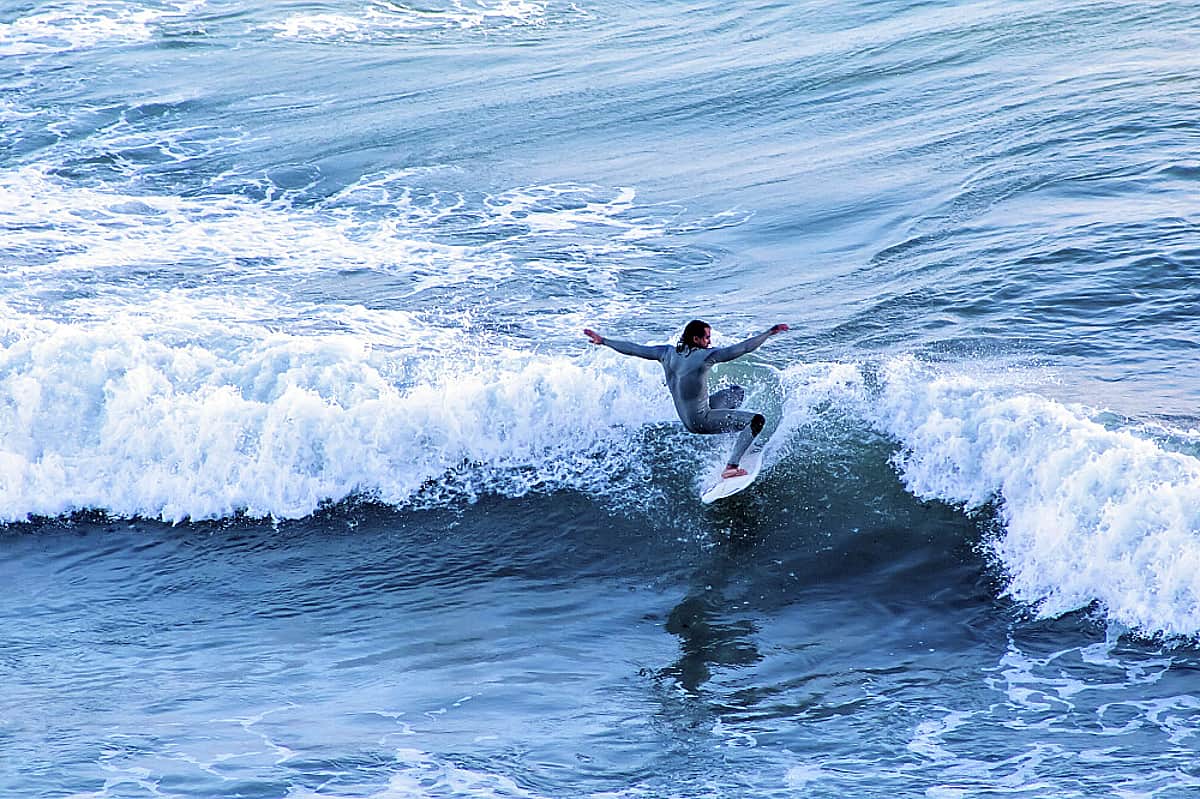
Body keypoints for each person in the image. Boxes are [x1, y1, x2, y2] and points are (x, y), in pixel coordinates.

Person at [584, 320, 789, 478]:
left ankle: (733, 439)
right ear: (696, 339)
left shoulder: (665, 353)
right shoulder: (706, 356)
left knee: (736, 392)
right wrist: (769, 333)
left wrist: (604, 341)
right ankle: (731, 466)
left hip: (689, 418)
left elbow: (634, 349)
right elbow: (741, 349)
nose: (710, 342)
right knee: (756, 421)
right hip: (701, 421)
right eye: (707, 338)